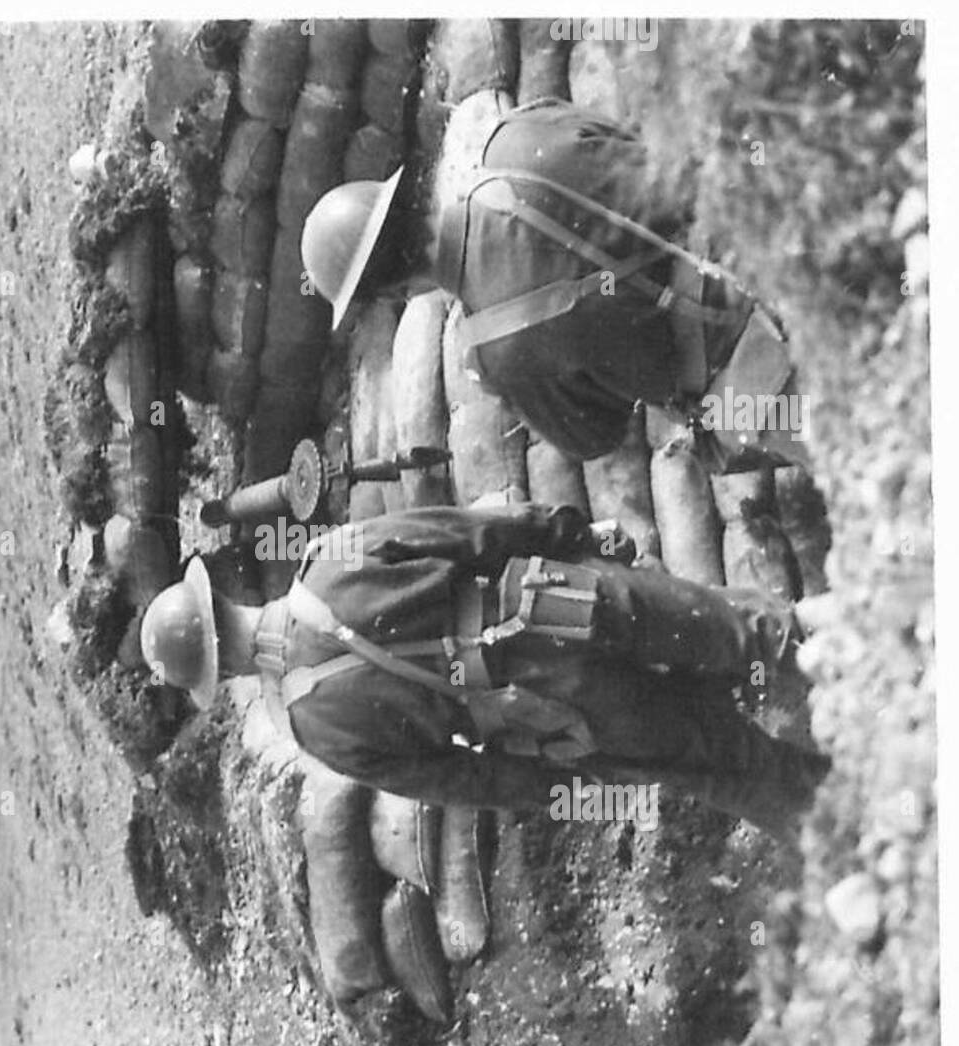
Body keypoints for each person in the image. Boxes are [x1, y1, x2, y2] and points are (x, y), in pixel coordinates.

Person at [140, 503, 829, 836]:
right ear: (225, 599)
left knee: (730, 766)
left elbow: (464, 778)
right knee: (750, 629)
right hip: (566, 601)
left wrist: (567, 782)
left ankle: (871, 831)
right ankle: (897, 645)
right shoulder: (331, 557)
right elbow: (476, 533)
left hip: (558, 710)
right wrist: (573, 534)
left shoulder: (314, 729)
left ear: (222, 669)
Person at [301, 98, 809, 471]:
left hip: (765, 369)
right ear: (400, 198)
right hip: (788, 217)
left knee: (880, 473)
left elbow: (596, 436)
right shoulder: (515, 137)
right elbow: (629, 141)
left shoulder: (496, 349)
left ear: (394, 295)